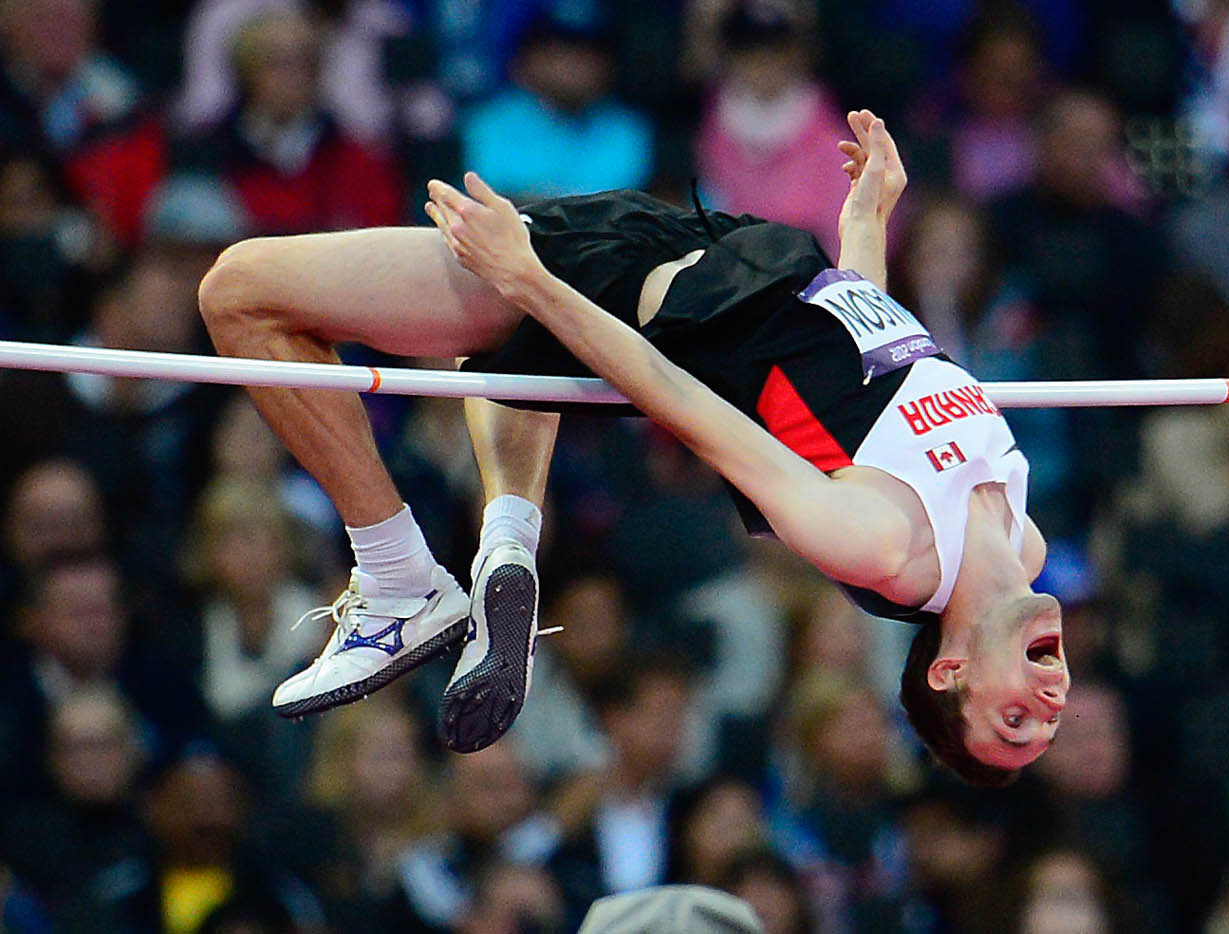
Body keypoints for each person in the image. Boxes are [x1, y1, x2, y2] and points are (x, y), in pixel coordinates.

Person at [198, 110, 1067, 785]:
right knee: (501, 365)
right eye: (1046, 721)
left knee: (238, 292)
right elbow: (853, 374)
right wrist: (867, 221)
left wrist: (530, 279)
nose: (1050, 702)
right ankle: (506, 538)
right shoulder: (1021, 535)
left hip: (624, 278)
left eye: (1016, 722)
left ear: (951, 671)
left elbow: (676, 398)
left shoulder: (883, 544)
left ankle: (396, 576)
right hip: (707, 249)